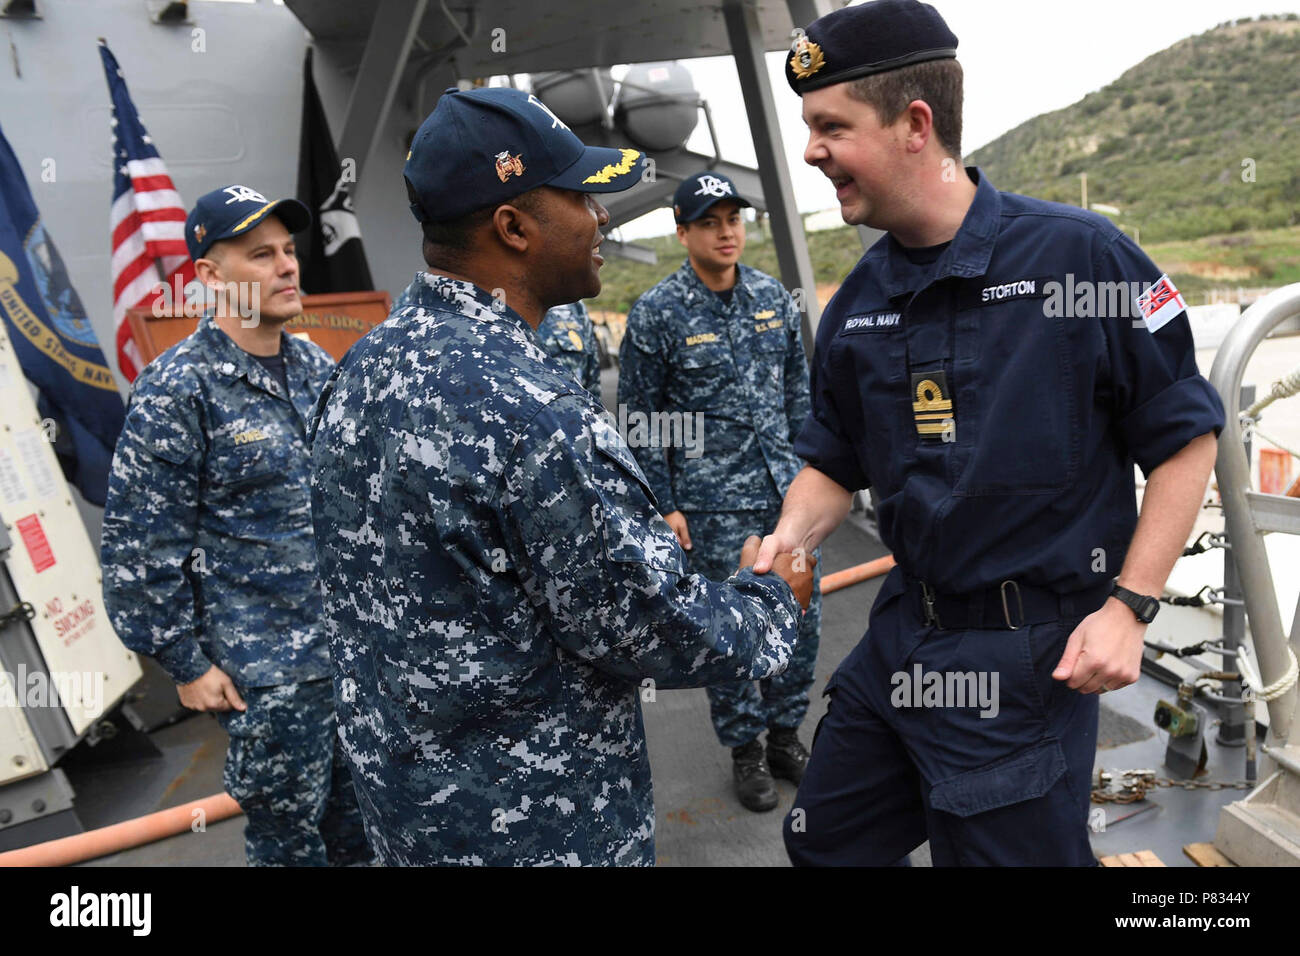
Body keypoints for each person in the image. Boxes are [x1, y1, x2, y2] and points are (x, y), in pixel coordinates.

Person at [760, 0, 1224, 866]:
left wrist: (1130, 608)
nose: (812, 150)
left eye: (831, 125)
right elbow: (833, 460)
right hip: (902, 636)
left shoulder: (1081, 260)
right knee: (824, 845)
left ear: (915, 124)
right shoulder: (857, 303)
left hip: (1029, 659)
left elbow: (1184, 438)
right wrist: (787, 539)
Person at [308, 87, 814, 867]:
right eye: (579, 196)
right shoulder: (529, 409)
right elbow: (652, 626)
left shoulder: (363, 365)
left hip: (412, 818)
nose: (601, 216)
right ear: (513, 227)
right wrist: (774, 599)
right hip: (534, 827)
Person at [101, 185, 373, 867]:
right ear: (211, 277)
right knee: (289, 848)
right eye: (261, 255)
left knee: (367, 839)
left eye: (289, 250)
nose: (288, 267)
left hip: (352, 657)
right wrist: (185, 662)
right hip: (267, 674)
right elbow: (139, 547)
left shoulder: (316, 368)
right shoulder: (177, 389)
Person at [618, 171, 821, 812]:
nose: (726, 231)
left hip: (785, 496)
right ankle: (746, 750)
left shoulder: (772, 298)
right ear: (682, 232)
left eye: (733, 218)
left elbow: (799, 395)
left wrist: (813, 477)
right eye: (709, 221)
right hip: (710, 508)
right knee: (727, 630)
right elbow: (642, 419)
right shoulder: (656, 313)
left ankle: (787, 735)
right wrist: (665, 505)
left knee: (802, 619)